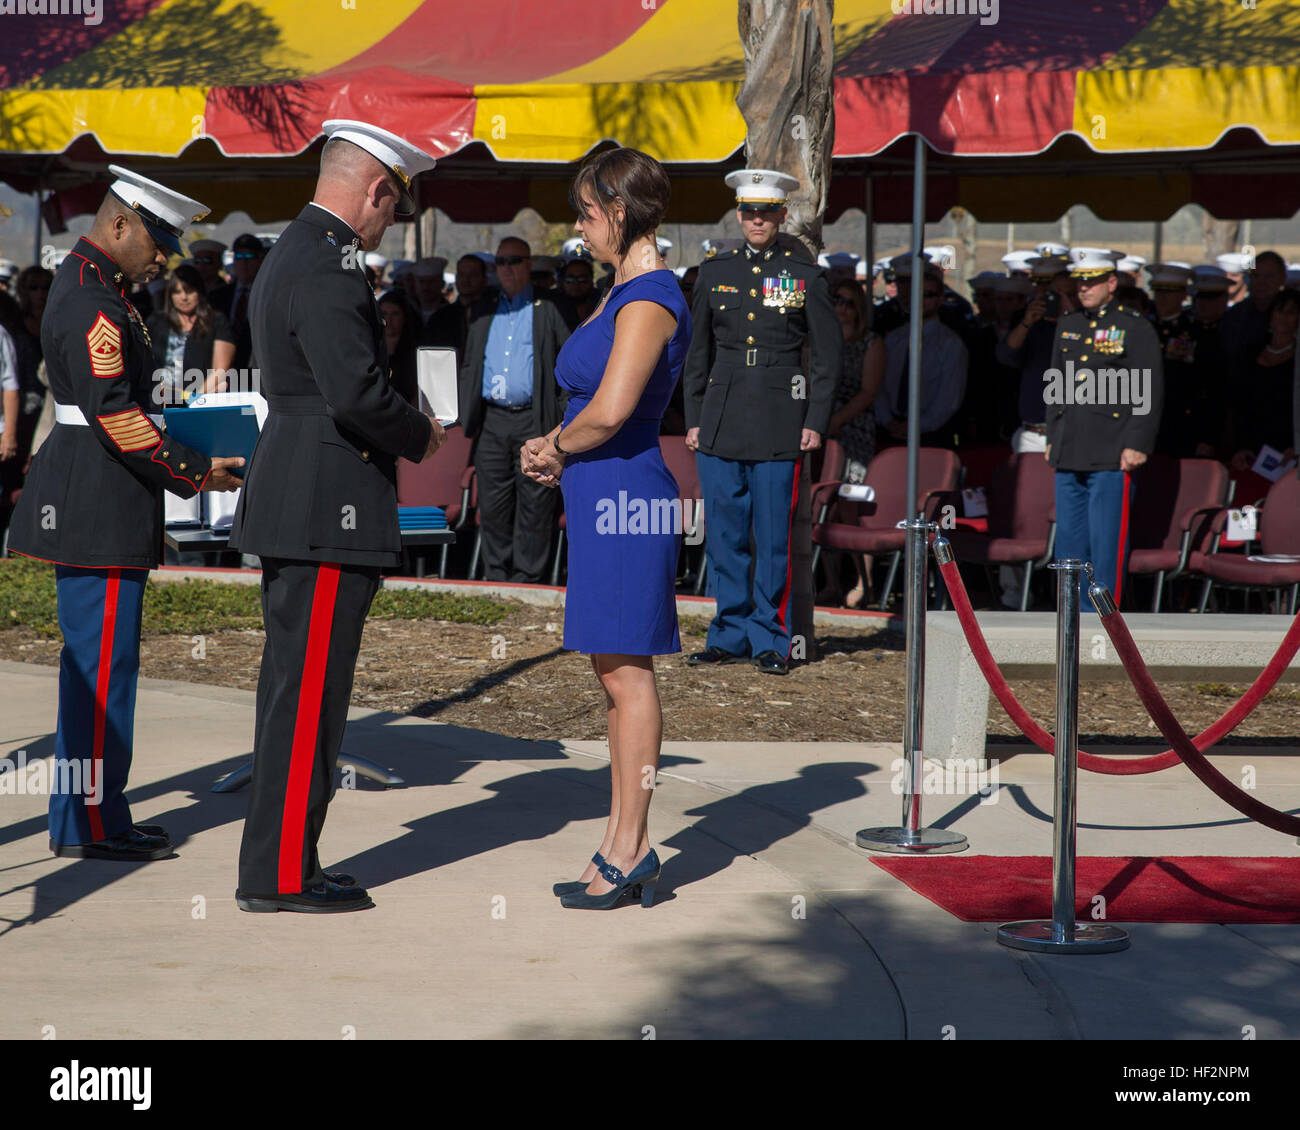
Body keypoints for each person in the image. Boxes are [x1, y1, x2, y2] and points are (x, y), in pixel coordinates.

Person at [228, 119, 442, 914]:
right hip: (326, 502)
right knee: (307, 696)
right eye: (393, 206)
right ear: (378, 190)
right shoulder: (328, 265)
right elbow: (353, 393)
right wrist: (420, 432)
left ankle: (285, 860)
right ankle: (280, 872)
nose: (389, 222)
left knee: (298, 691)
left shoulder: (299, 251)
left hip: (307, 494)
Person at [6, 166, 244, 861]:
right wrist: (195, 471)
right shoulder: (93, 302)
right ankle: (86, 823)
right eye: (157, 239)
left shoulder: (98, 290)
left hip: (102, 499)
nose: (164, 257)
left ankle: (100, 813)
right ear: (118, 226)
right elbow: (115, 416)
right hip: (97, 504)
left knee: (107, 668)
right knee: (98, 672)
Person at [519, 146, 689, 909]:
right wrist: (559, 452)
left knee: (629, 678)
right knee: (614, 679)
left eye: (588, 213)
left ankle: (632, 845)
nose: (580, 228)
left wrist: (555, 445)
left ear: (620, 212)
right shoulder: (625, 286)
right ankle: (621, 838)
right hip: (599, 490)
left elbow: (615, 408)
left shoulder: (649, 295)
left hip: (625, 495)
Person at [682, 168, 839, 676]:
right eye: (749, 211)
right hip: (722, 417)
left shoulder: (805, 277)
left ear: (781, 215)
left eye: (766, 211)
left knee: (772, 538)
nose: (757, 219)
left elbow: (827, 359)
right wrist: (694, 418)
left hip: (779, 418)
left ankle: (771, 637)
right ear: (739, 214)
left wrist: (815, 418)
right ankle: (727, 632)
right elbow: (697, 354)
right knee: (725, 534)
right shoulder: (714, 272)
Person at [1045, 250, 1163, 606]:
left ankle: (1102, 616)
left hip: (1112, 447)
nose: (1084, 288)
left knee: (1106, 541)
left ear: (1111, 283)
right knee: (1069, 539)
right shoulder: (1069, 323)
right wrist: (1053, 435)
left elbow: (1149, 387)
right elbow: (1057, 382)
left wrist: (1137, 442)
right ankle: (1068, 612)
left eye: (1092, 281)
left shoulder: (1133, 325)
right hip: (1071, 444)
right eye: (1080, 281)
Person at [457, 237, 570, 583]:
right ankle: (495, 576)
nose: (506, 268)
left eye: (514, 260)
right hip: (492, 420)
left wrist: (563, 418)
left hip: (534, 419)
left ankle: (527, 579)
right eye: (500, 262)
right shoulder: (483, 309)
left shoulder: (549, 306)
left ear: (528, 264)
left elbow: (569, 364)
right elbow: (471, 364)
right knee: (492, 504)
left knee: (535, 503)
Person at [821, 279, 884, 607]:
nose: (842, 307)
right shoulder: (820, 339)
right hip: (820, 429)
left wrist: (837, 420)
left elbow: (868, 392)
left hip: (853, 428)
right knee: (824, 507)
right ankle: (832, 582)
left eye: (848, 302)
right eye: (836, 300)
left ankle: (864, 581)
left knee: (850, 506)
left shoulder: (870, 343)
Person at [873, 255, 968, 450]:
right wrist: (888, 421)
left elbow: (948, 399)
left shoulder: (950, 343)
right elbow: (878, 385)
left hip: (930, 436)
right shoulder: (893, 339)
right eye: (917, 293)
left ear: (941, 299)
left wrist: (914, 427)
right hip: (889, 432)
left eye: (929, 294)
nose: (921, 300)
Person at [1228, 288, 1299, 470]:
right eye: (1279, 310)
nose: (1283, 317)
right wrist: (1238, 446)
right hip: (1248, 450)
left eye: (1290, 312)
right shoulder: (1248, 353)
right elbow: (1236, 403)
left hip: (1287, 453)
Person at [147, 264, 235, 405]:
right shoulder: (156, 321)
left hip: (199, 401)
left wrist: (195, 400)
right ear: (169, 295)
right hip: (159, 401)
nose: (183, 297)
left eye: (189, 291)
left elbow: (220, 371)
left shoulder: (216, 321)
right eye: (177, 292)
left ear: (199, 291)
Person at [427, 252, 496, 362]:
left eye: (473, 275)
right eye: (462, 274)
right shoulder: (441, 318)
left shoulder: (493, 316)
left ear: (484, 279)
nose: (466, 280)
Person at [209, 233, 263, 370]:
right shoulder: (217, 295)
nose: (244, 262)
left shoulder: (268, 295)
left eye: (250, 257)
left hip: (255, 368)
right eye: (239, 257)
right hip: (220, 369)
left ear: (261, 260)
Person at [378, 287, 421, 406]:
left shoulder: (415, 351)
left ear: (404, 316)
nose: (389, 320)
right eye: (384, 314)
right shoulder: (369, 347)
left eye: (395, 314)